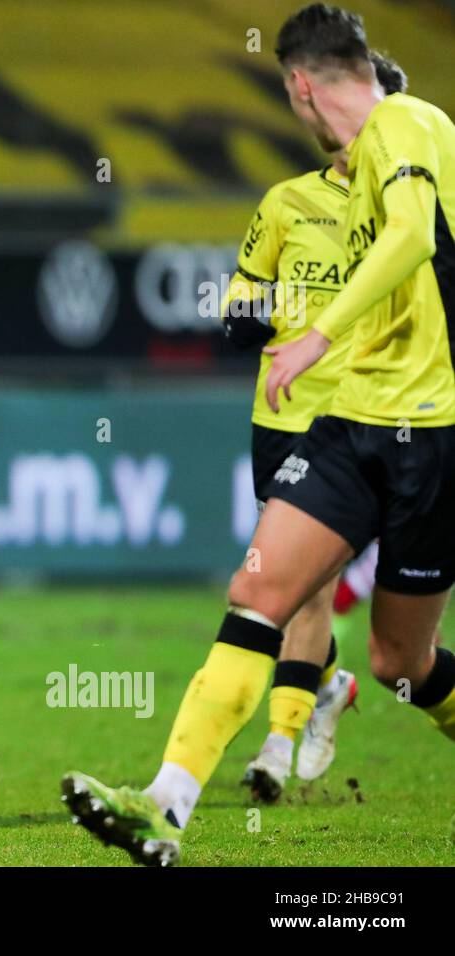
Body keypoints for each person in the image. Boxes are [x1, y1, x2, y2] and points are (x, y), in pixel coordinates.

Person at [63, 3, 455, 866]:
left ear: (300, 87)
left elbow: (415, 237)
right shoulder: (314, 192)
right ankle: (167, 805)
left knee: (401, 658)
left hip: (433, 433)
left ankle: (326, 706)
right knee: (260, 595)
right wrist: (298, 328)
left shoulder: (412, 123)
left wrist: (315, 331)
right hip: (346, 421)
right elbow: (257, 304)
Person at [220, 49, 406, 799]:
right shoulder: (287, 202)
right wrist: (241, 313)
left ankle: (276, 743)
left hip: (360, 418)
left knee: (311, 588)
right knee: (276, 587)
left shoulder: (414, 214)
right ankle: (326, 688)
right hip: (280, 414)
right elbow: (245, 287)